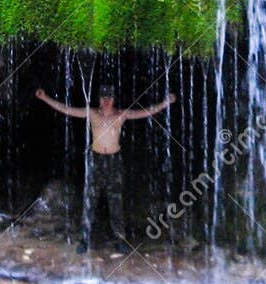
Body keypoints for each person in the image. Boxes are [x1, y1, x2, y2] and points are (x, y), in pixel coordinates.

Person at [34, 83, 175, 252]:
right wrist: (45, 98)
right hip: (96, 160)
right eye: (103, 98)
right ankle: (84, 240)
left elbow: (145, 112)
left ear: (114, 99)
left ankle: (120, 240)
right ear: (99, 99)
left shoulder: (121, 114)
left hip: (114, 161)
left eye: (109, 98)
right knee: (90, 201)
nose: (106, 101)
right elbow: (67, 109)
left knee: (115, 201)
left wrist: (165, 103)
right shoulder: (93, 113)